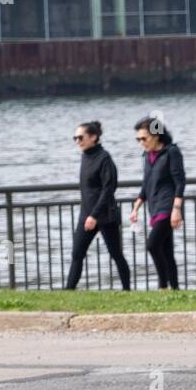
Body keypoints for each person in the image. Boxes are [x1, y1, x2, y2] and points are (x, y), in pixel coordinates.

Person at [66, 121, 131, 291]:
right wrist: (88, 215)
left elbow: (109, 188)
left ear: (93, 137)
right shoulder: (85, 156)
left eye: (81, 137)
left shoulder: (104, 158)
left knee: (116, 254)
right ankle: (68, 290)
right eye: (75, 138)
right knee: (77, 253)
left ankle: (127, 291)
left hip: (105, 215)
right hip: (86, 214)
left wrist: (94, 215)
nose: (77, 141)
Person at [130, 116, 185, 290]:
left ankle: (163, 286)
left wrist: (177, 209)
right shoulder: (147, 155)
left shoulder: (171, 152)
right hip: (154, 207)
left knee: (152, 245)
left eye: (144, 138)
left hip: (167, 206)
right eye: (138, 139)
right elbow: (147, 182)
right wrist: (137, 205)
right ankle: (175, 290)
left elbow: (180, 181)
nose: (141, 142)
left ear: (157, 135)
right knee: (167, 251)